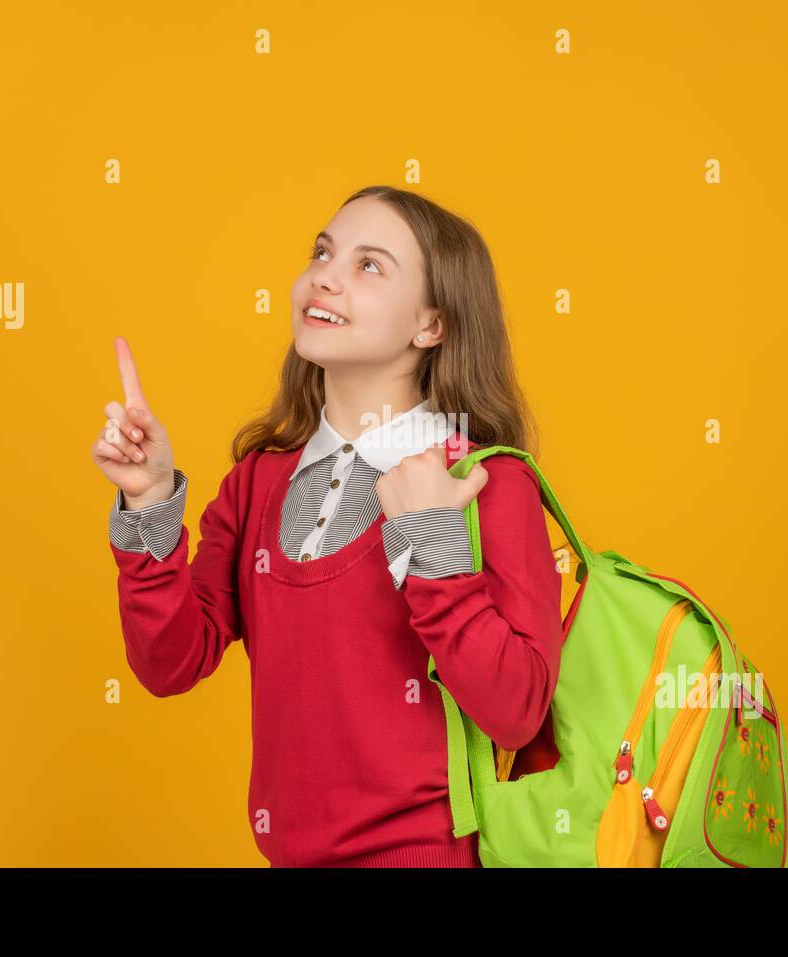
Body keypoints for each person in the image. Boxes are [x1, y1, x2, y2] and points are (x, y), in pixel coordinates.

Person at [91, 185, 563, 867]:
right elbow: (168, 660)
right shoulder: (259, 481)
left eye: (369, 265)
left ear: (430, 324)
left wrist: (432, 541)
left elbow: (518, 708)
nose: (325, 275)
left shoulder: (484, 480)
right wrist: (151, 499)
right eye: (322, 251)